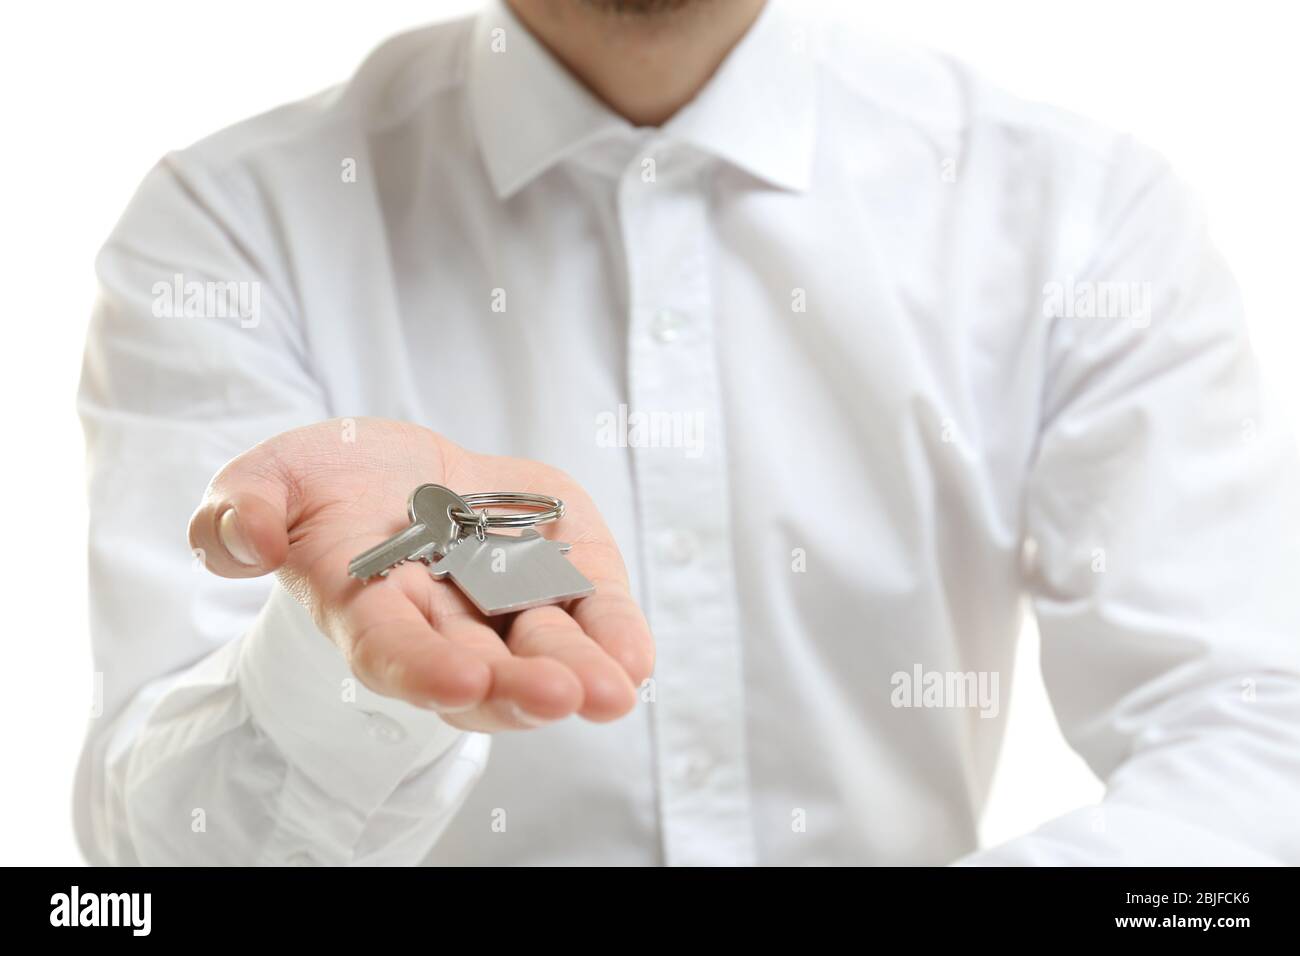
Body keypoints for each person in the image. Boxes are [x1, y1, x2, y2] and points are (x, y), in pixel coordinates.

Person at [77, 0, 1300, 866]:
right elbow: (151, 858)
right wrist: (336, 655)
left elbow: (1253, 744)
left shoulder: (1078, 213)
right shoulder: (233, 224)